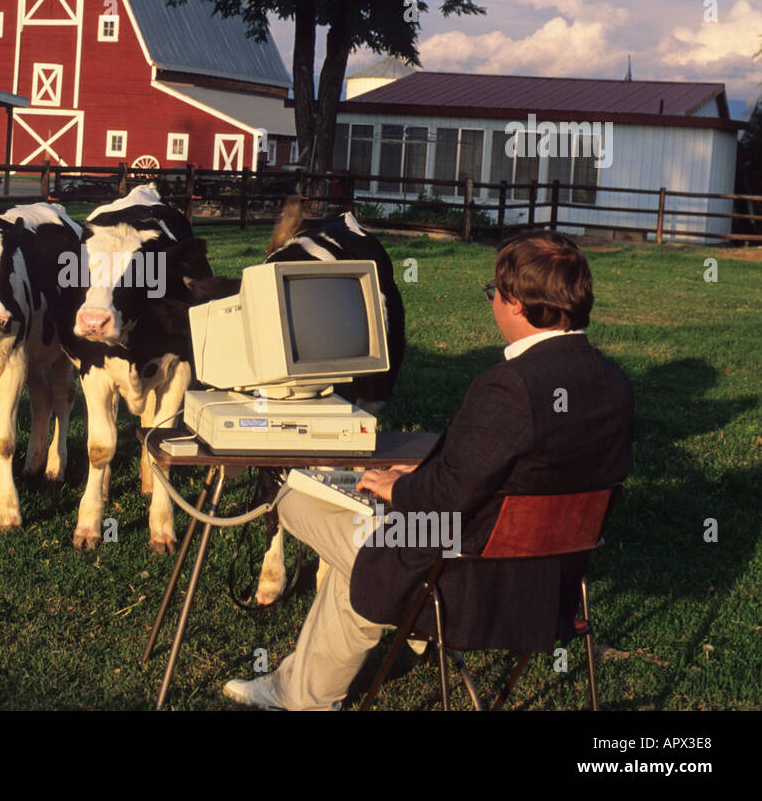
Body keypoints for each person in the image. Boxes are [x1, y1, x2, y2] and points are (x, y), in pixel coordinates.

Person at [223, 230, 635, 710]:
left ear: (517, 304)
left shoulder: (510, 386)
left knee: (295, 501)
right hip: (556, 584)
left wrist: (398, 486)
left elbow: (445, 499)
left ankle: (308, 695)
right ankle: (301, 692)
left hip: (467, 580)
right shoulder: (614, 382)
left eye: (494, 294)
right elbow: (518, 470)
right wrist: (434, 466)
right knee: (358, 559)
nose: (493, 305)